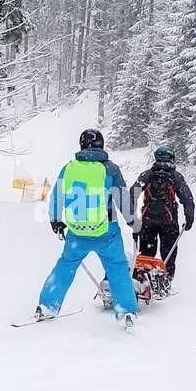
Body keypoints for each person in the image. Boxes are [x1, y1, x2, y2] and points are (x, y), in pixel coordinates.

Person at [35, 129, 139, 328]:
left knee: (65, 266)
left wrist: (56, 221)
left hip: (77, 232)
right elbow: (123, 199)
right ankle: (126, 311)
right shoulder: (110, 169)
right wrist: (133, 222)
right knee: (118, 268)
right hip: (106, 232)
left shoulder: (69, 168)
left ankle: (47, 305)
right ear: (101, 145)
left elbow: (57, 195)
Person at [130, 146, 194, 279]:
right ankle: (167, 279)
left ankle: (144, 279)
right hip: (169, 222)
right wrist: (189, 216)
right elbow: (187, 198)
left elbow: (132, 195)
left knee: (147, 253)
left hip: (148, 222)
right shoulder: (175, 176)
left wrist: (133, 220)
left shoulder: (147, 175)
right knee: (168, 253)